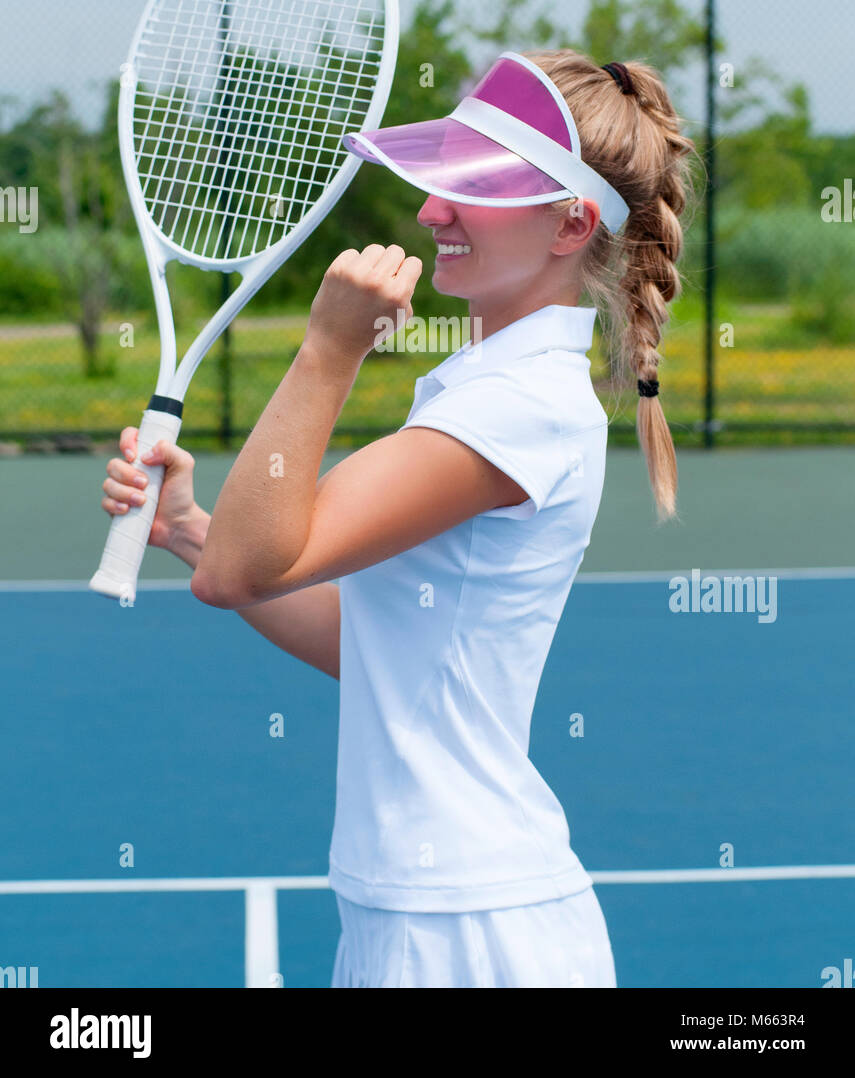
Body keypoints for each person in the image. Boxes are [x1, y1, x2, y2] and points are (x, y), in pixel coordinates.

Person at [100, 49, 696, 988]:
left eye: (473, 188)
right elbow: (369, 639)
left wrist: (329, 348)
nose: (429, 211)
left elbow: (246, 571)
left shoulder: (520, 406)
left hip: (469, 931)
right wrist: (185, 528)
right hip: (422, 909)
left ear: (571, 223)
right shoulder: (494, 388)